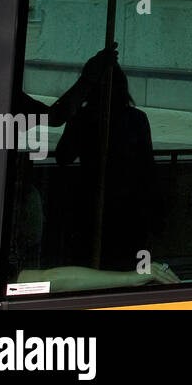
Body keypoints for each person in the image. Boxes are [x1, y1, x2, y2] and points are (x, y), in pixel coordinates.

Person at [55, 47, 158, 272]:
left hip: (92, 203)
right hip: (129, 208)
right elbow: (147, 167)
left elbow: (63, 156)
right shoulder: (137, 119)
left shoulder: (84, 118)